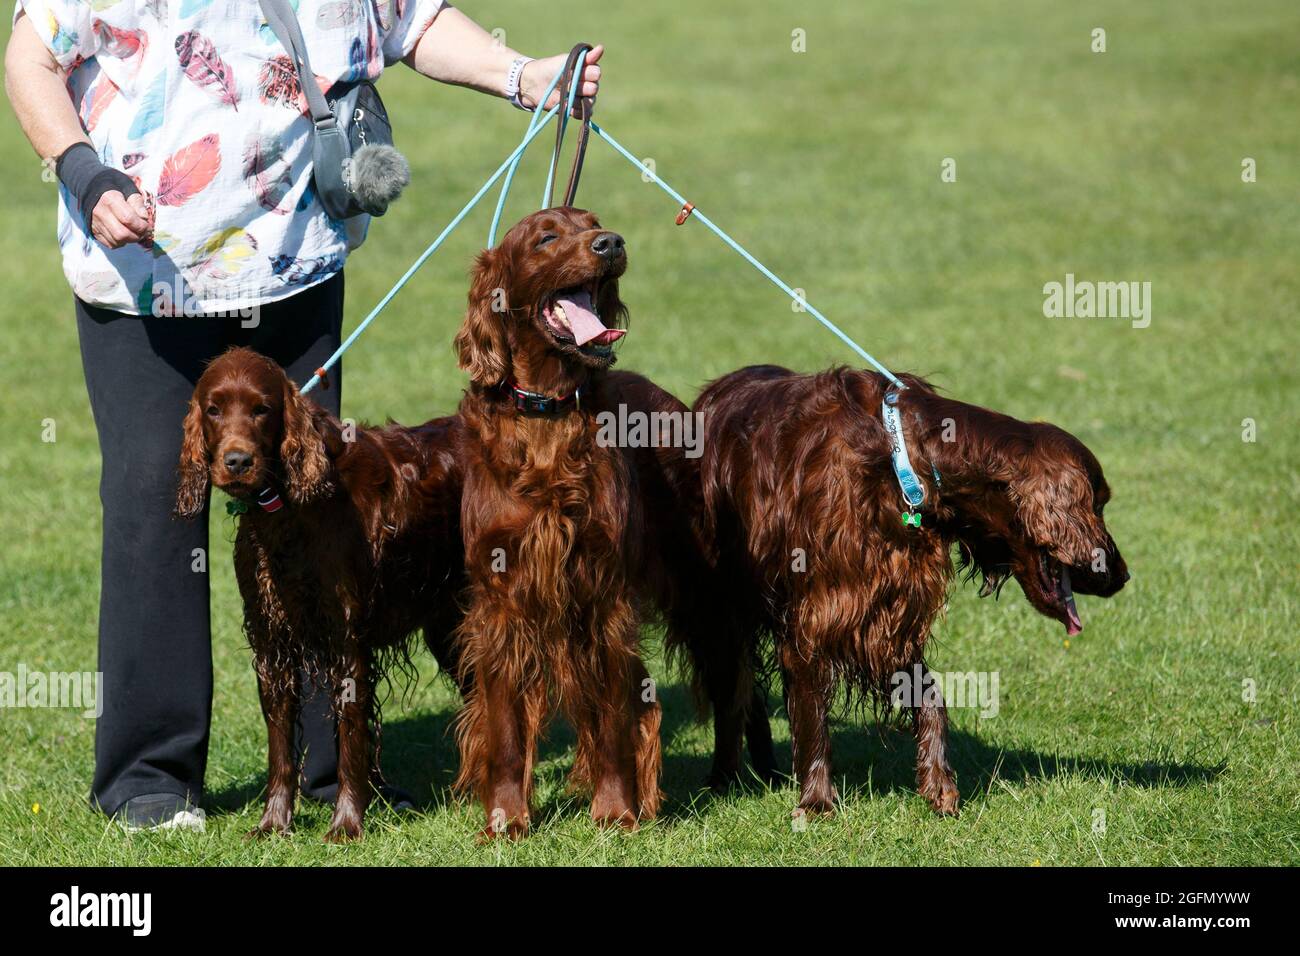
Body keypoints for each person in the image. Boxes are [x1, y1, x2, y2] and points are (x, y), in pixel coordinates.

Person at [4, 0, 602, 831]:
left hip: (292, 271)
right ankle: (150, 776)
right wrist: (82, 171)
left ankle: (334, 771)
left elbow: (413, 22)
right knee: (153, 510)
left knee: (324, 519)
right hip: (141, 276)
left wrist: (525, 75)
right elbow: (29, 56)